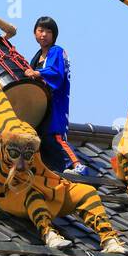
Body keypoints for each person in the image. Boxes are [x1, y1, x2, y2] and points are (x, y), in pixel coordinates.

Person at [25, 16, 87, 174]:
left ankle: (78, 166)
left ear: (54, 35)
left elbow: (56, 73)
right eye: (40, 30)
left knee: (55, 136)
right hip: (41, 104)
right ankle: (54, 170)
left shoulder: (56, 51)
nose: (44, 34)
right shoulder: (37, 56)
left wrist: (36, 73)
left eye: (48, 31)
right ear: (34, 34)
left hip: (54, 102)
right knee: (43, 139)